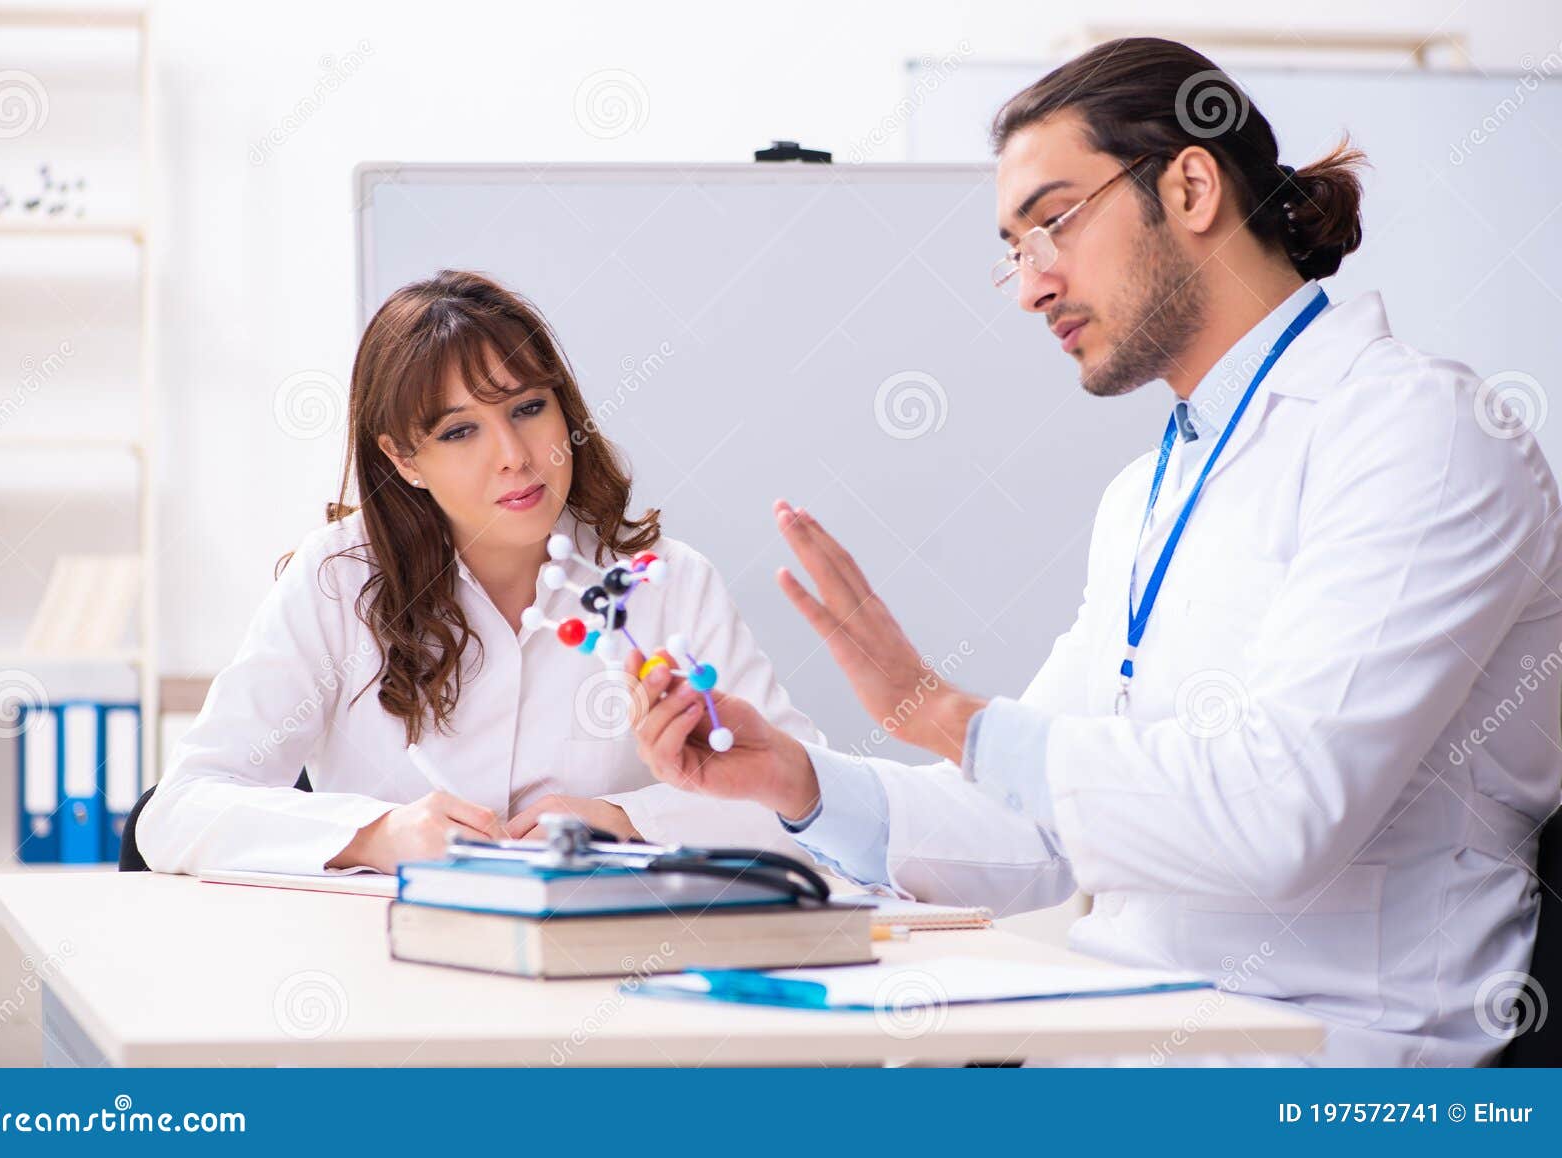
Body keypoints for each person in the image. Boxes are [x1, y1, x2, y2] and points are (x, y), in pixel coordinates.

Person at [624, 39, 1562, 1066]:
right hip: (1133, 1042)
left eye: (1054, 222)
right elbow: (1040, 826)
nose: (1031, 286)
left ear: (1191, 185)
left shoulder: (1419, 432)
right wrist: (798, 782)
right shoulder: (1149, 492)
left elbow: (1279, 815)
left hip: (1338, 1065)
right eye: (1014, 248)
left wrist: (944, 713)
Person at [138, 270, 818, 876]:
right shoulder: (336, 580)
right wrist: (377, 835)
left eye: (528, 410)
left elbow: (808, 800)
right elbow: (180, 811)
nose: (514, 457)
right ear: (404, 458)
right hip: (389, 978)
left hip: (607, 968)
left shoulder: (664, 581)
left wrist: (625, 822)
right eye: (460, 432)